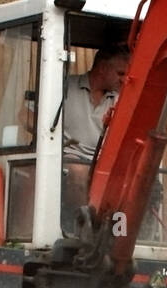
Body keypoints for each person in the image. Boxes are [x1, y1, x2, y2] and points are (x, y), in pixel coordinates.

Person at [60, 45, 130, 232]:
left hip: (103, 162)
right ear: (102, 68)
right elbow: (25, 114)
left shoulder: (121, 99)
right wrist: (52, 139)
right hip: (68, 159)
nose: (125, 80)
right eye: (120, 73)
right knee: (79, 172)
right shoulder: (64, 86)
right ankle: (84, 229)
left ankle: (114, 233)